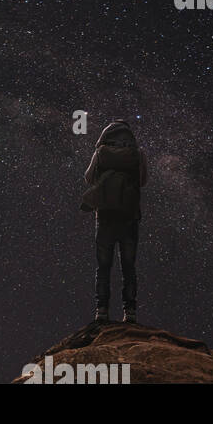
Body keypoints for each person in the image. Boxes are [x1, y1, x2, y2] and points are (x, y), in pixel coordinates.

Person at [81, 119, 148, 324]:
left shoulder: (101, 152)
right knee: (129, 266)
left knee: (103, 266)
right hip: (128, 218)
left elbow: (88, 178)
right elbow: (143, 180)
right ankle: (130, 312)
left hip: (105, 217)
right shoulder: (137, 154)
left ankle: (102, 310)